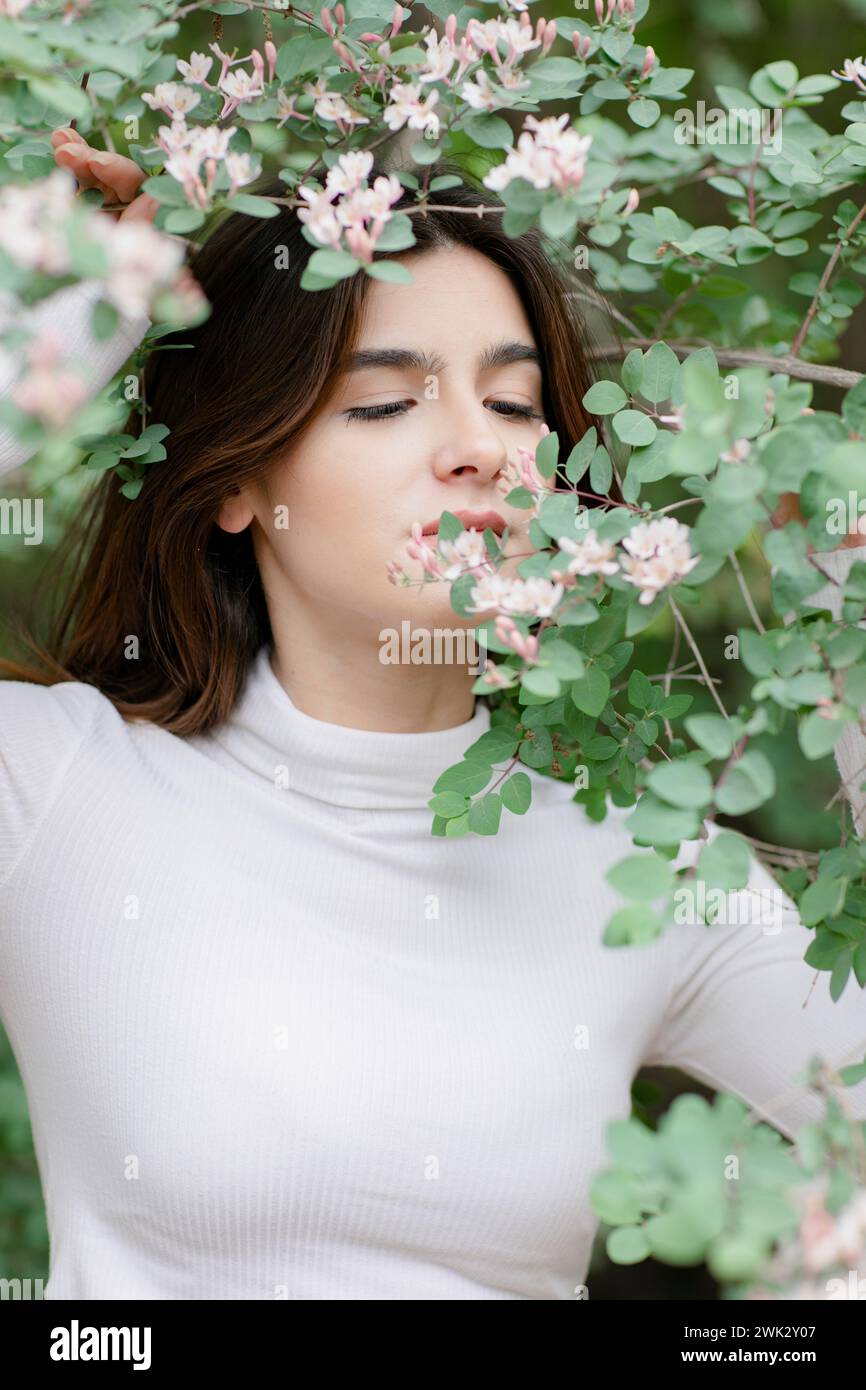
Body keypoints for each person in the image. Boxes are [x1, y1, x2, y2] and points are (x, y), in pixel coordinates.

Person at [0, 130, 865, 1302]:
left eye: (512, 402)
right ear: (237, 482)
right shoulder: (57, 792)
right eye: (382, 404)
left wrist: (842, 601)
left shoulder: (644, 864)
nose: (477, 450)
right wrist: (54, 324)